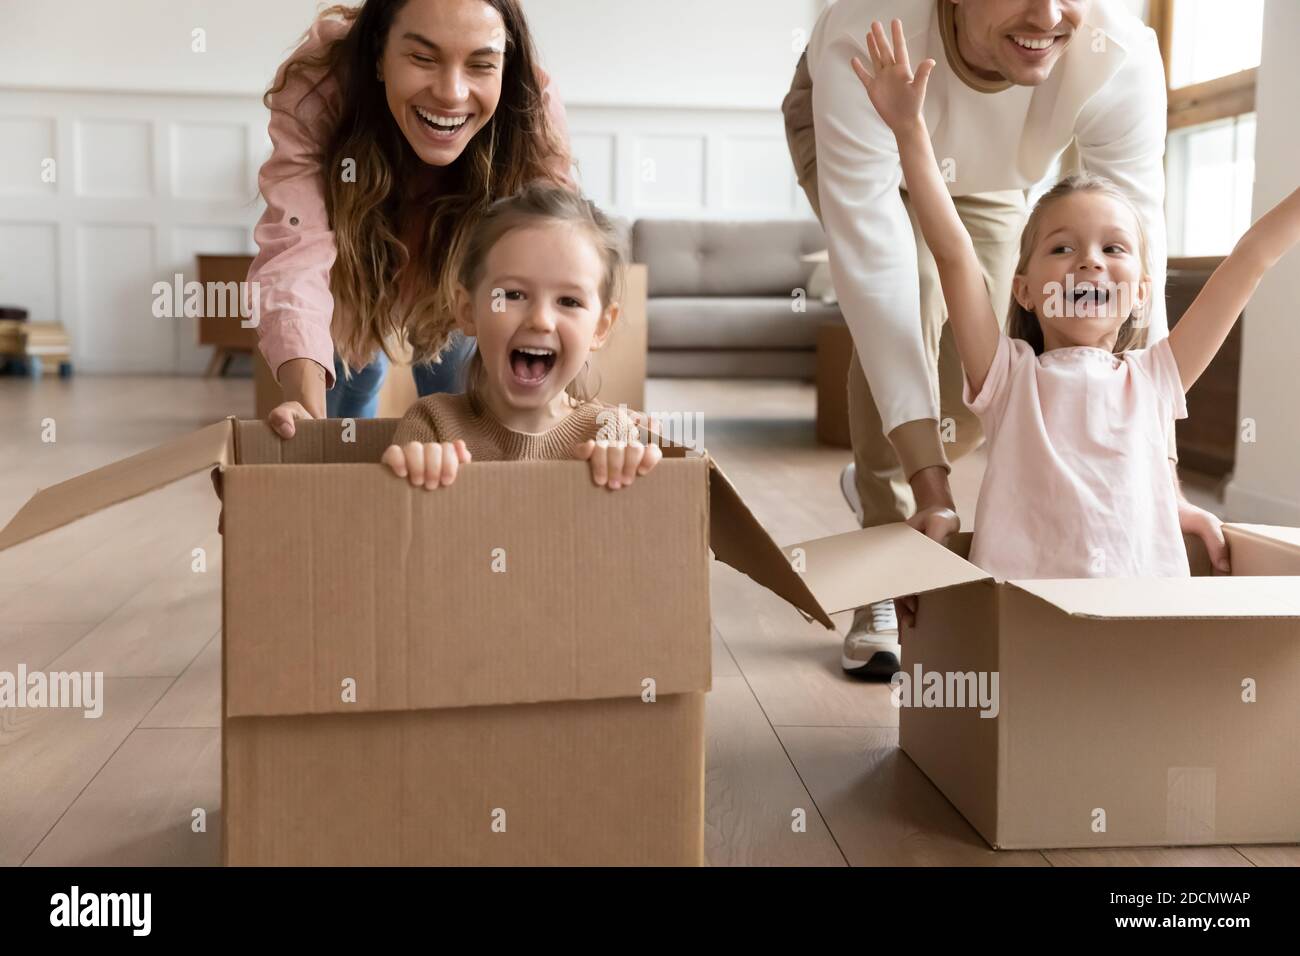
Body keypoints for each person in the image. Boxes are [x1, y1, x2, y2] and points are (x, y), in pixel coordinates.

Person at [781, 0, 1223, 679]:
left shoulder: (1121, 55)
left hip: (993, 170)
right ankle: (887, 545)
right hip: (876, 111)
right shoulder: (860, 37)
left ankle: (893, 467)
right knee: (922, 295)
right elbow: (883, 285)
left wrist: (1159, 475)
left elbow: (1142, 264)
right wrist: (931, 491)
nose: (1047, 12)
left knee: (979, 370)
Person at [854, 20, 1300, 631]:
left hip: (1142, 628)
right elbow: (954, 251)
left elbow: (1250, 260)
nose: (1090, 259)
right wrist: (909, 130)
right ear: (1025, 289)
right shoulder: (1008, 377)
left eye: (1114, 249)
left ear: (1141, 292)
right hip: (1023, 623)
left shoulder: (1157, 376)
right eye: (1062, 249)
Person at [249, 0, 573, 437]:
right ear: (379, 54)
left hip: (463, 269)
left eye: (480, 64)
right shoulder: (320, 84)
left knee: (460, 405)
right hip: (352, 269)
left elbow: (555, 257)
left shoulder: (529, 104)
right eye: (423, 58)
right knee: (347, 390)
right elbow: (297, 246)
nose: (451, 93)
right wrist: (308, 415)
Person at [384, 183, 662, 488]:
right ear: (467, 311)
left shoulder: (612, 435)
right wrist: (415, 471)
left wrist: (630, 470)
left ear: (600, 327)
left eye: (569, 301)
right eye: (514, 294)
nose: (541, 320)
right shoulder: (432, 425)